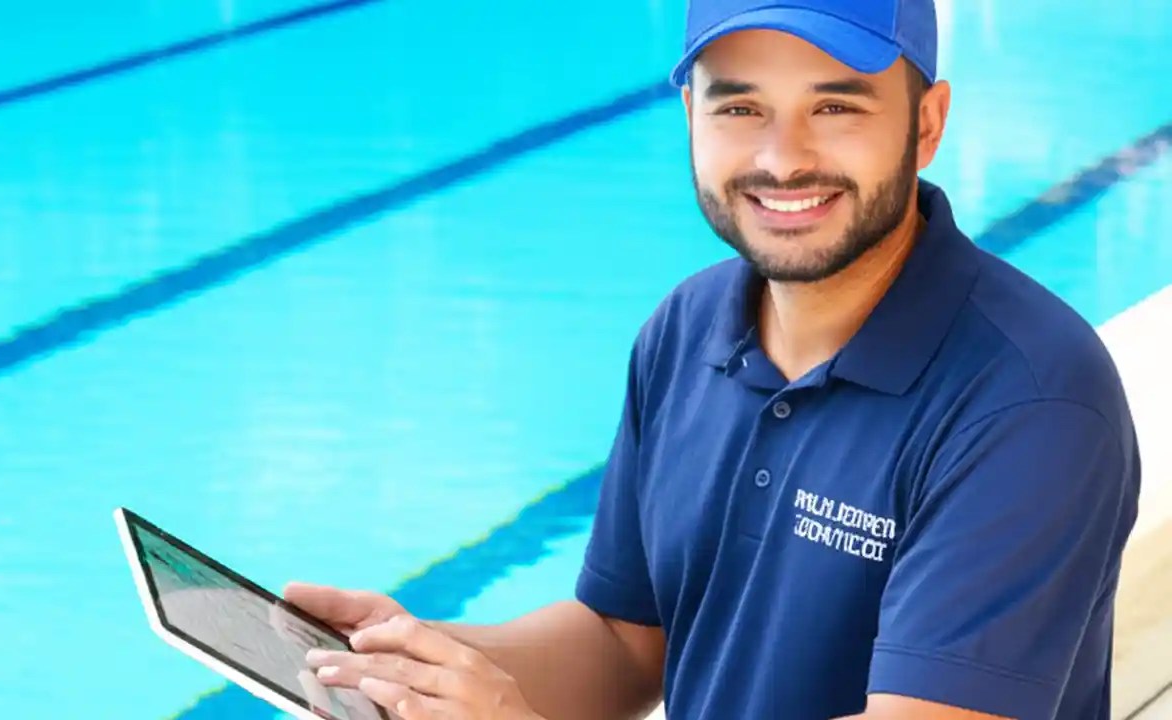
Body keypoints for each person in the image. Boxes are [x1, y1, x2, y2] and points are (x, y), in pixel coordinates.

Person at [285, 1, 1142, 718]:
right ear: (691, 119)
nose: (782, 158)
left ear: (925, 126)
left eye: (836, 107)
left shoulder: (1029, 401)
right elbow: (625, 643)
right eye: (740, 108)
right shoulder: (689, 328)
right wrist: (423, 659)